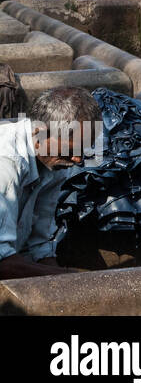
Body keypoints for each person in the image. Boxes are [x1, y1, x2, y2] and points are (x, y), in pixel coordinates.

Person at [0, 85, 101, 279]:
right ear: (39, 135)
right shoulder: (7, 163)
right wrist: (70, 279)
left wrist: (59, 276)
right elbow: (2, 262)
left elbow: (40, 243)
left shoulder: (54, 162)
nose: (78, 160)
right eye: (70, 150)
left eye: (83, 150)